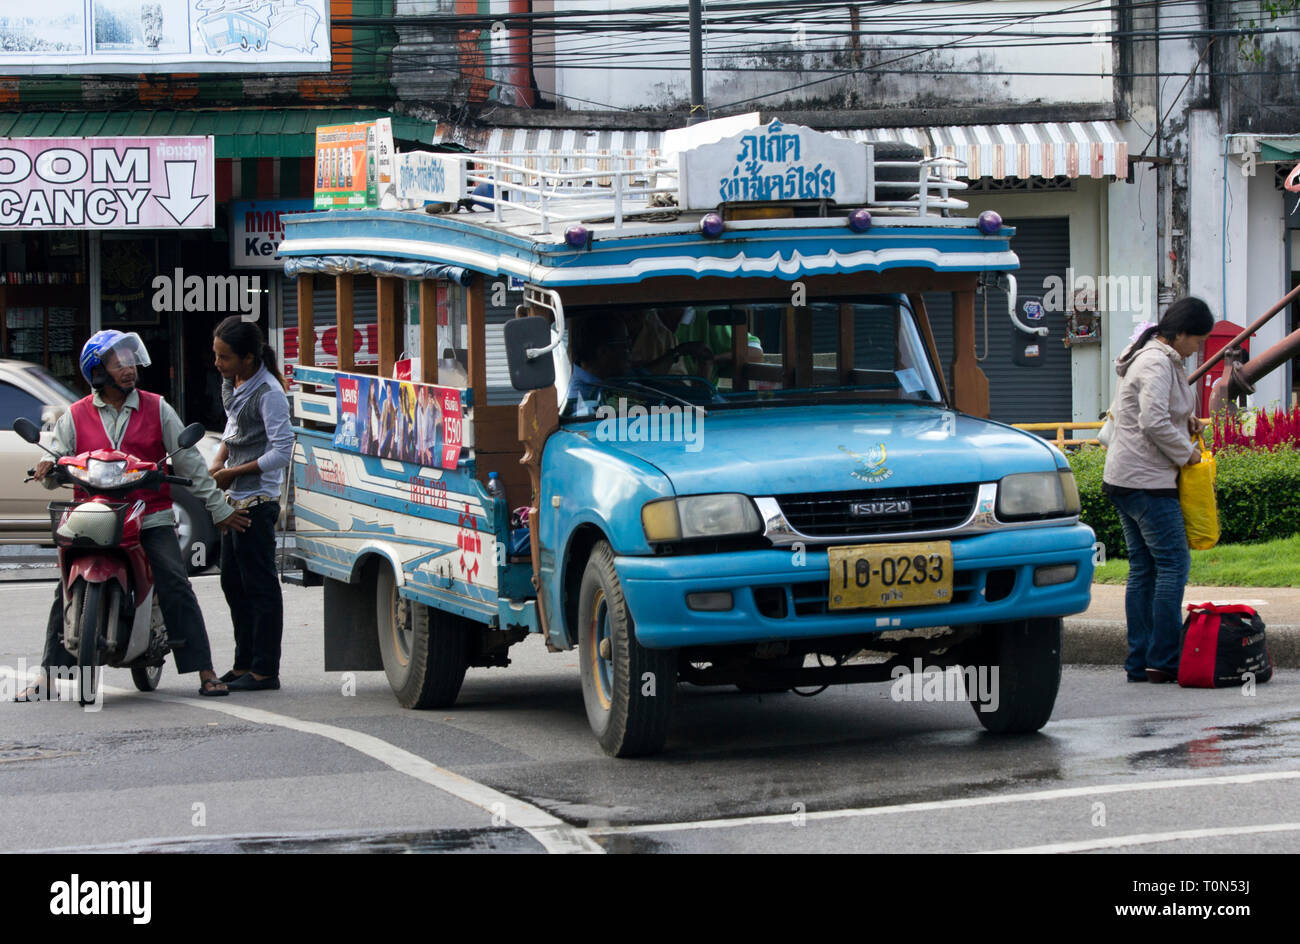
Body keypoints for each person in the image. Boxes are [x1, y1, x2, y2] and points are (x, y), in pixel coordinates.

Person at [17, 330, 248, 700]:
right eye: (117, 362)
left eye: (129, 360)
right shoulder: (75, 415)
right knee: (64, 587)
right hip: (92, 515)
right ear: (98, 371)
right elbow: (56, 455)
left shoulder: (158, 407)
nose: (128, 368)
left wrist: (219, 509)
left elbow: (189, 462)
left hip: (149, 515)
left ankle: (204, 670)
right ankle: (48, 675)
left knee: (175, 582)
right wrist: (47, 466)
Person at [1102, 297, 1215, 684]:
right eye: (1197, 339)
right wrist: (1188, 456)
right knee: (1172, 565)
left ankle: (1141, 662)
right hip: (1146, 480)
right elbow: (1152, 421)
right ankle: (1164, 659)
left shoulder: (1155, 357)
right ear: (1180, 333)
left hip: (1125, 477)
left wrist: (1190, 422)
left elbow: (1157, 412)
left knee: (1143, 568)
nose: (1199, 347)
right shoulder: (1156, 361)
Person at [210, 317, 294, 692]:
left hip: (257, 502)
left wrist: (234, 471)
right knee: (233, 584)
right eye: (216, 355)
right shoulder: (235, 381)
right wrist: (218, 461)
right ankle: (243, 663)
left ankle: (264, 670)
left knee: (259, 587)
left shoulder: (269, 392)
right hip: (233, 498)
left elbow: (282, 450)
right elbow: (233, 428)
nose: (217, 363)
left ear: (247, 357)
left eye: (224, 357)